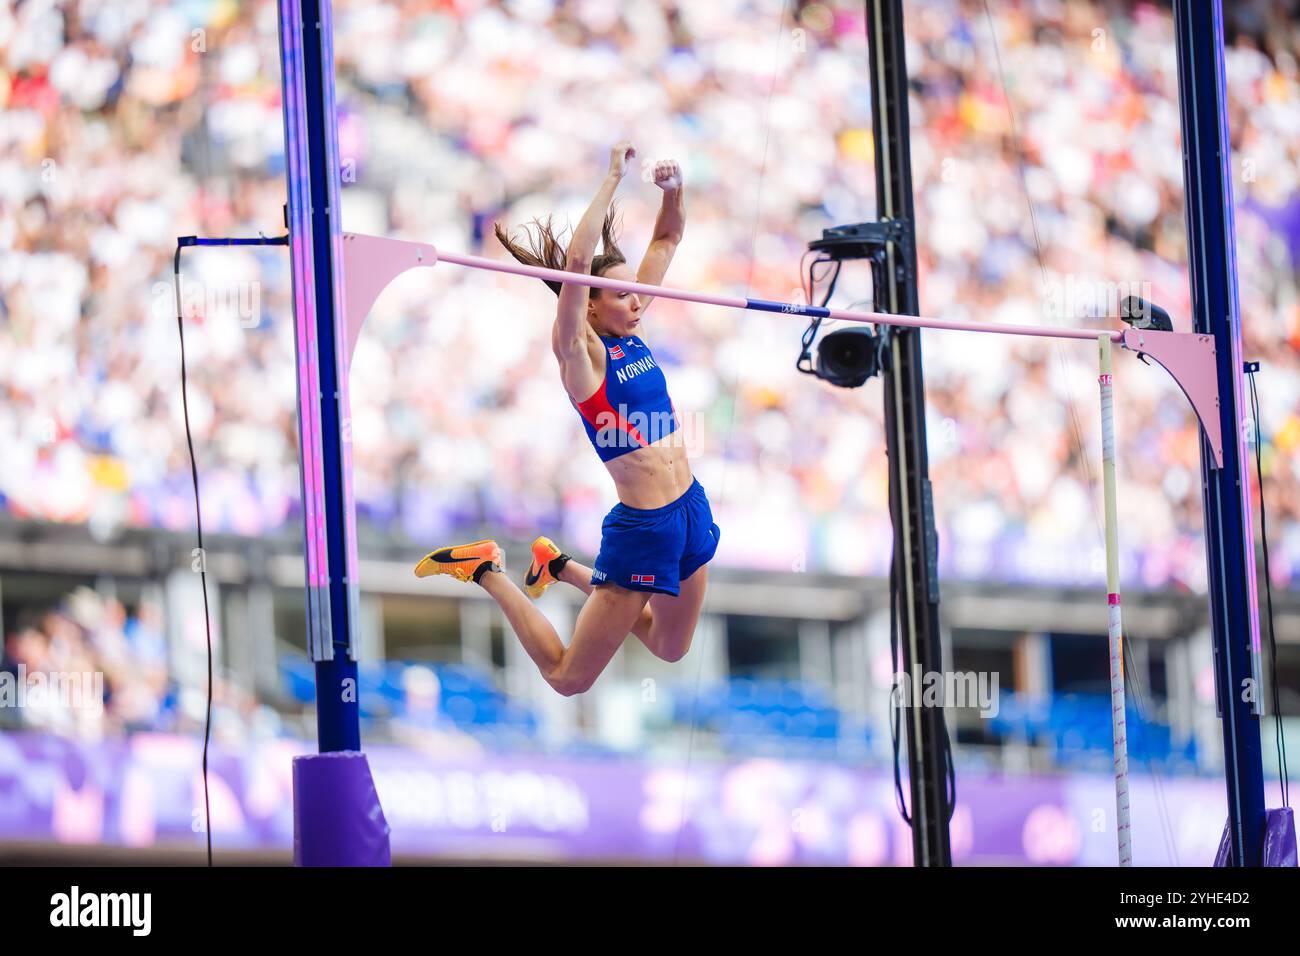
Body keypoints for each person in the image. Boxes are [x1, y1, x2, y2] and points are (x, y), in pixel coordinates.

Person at [414, 142, 720, 696]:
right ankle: (485, 568)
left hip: (690, 506)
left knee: (672, 647)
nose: (637, 302)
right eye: (622, 295)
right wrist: (610, 178)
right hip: (644, 530)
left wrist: (673, 190)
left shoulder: (633, 326)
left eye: (635, 294)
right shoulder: (581, 359)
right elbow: (577, 267)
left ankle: (557, 567)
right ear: (590, 306)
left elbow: (667, 238)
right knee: (566, 678)